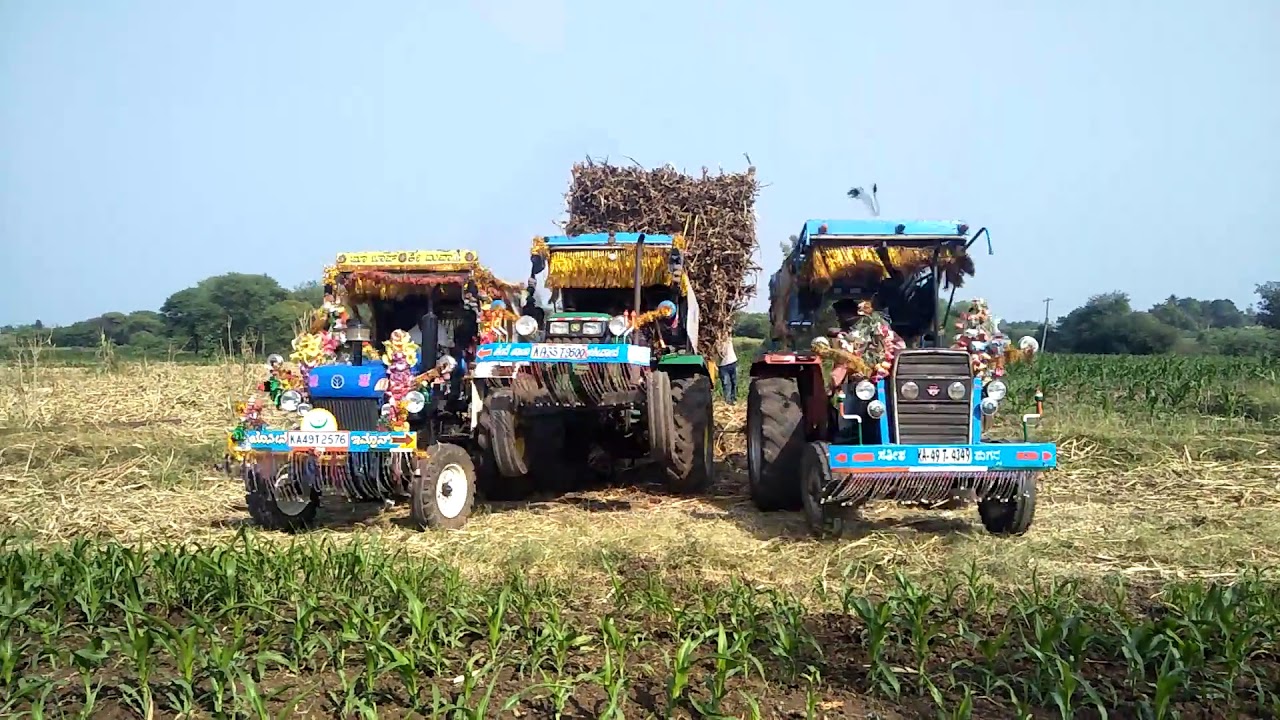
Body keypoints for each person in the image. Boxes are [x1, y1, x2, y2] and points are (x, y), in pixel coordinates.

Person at [718, 337, 738, 404]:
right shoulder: (716, 343)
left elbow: (728, 331)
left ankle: (734, 399)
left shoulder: (728, 339)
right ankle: (728, 401)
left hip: (732, 362)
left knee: (734, 382)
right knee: (726, 384)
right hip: (722, 366)